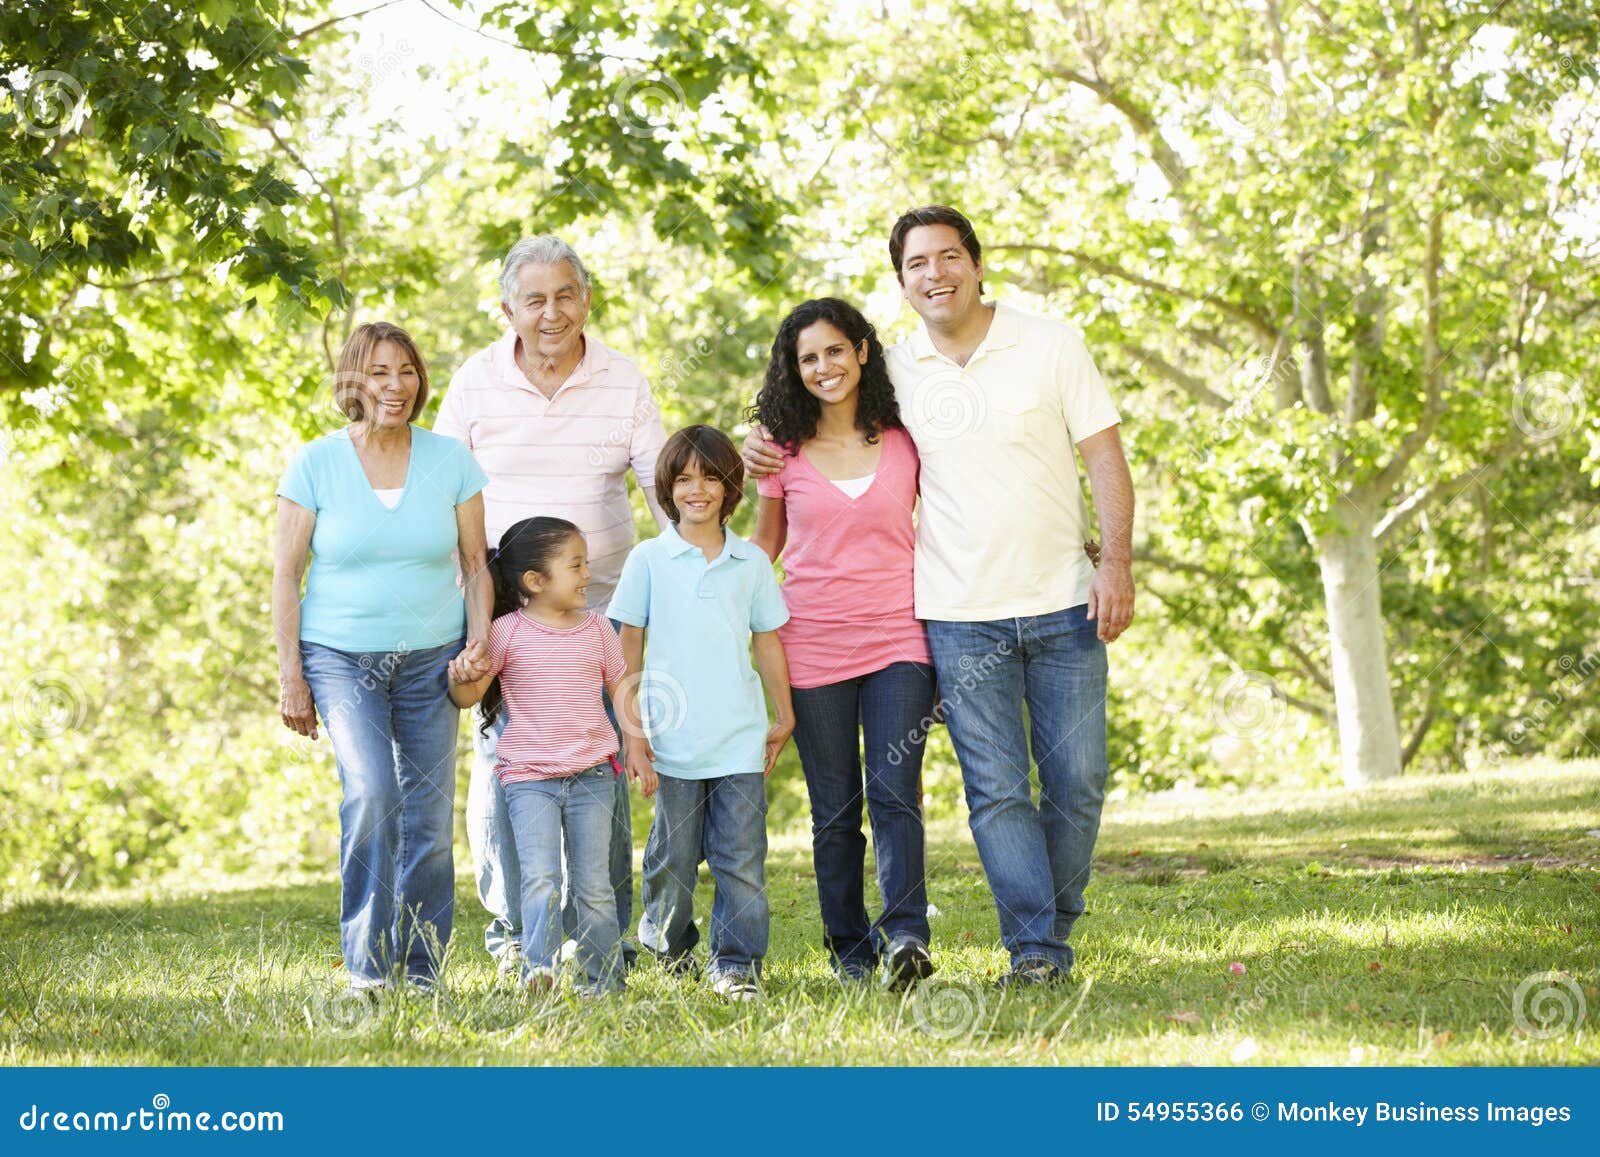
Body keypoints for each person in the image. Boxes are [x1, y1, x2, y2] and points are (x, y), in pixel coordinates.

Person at [743, 206, 1136, 985]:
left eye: (948, 256)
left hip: (1060, 600)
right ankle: (1033, 950)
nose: (936, 274)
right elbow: (811, 418)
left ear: (977, 263)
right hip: (954, 616)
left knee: (1079, 781)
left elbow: (1102, 456)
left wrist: (1114, 557)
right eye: (917, 263)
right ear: (901, 282)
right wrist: (754, 442)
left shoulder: (1049, 344)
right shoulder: (896, 372)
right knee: (994, 791)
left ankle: (1047, 919)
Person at [433, 236, 670, 975]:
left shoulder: (622, 379)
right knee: (505, 766)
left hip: (602, 612)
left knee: (603, 764)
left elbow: (662, 489)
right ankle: (516, 937)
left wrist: (692, 571)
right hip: (500, 616)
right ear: (508, 310)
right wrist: (470, 615)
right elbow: (441, 493)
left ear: (586, 300)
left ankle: (604, 938)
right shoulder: (475, 382)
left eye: (565, 295)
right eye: (534, 299)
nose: (551, 312)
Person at [273, 321, 493, 993]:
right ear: (353, 381)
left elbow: (476, 564)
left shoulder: (451, 460)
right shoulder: (316, 463)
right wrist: (291, 676)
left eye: (406, 371)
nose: (395, 385)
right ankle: (368, 968)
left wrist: (478, 641)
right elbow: (286, 575)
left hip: (433, 658)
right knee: (372, 792)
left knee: (428, 816)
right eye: (378, 372)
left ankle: (422, 970)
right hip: (340, 657)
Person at [747, 298, 937, 989]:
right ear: (792, 370)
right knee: (835, 810)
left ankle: (906, 935)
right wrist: (708, 592)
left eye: (834, 350)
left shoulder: (906, 437)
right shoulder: (781, 451)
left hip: (899, 639)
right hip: (812, 644)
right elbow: (766, 542)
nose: (823, 367)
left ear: (861, 351)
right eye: (808, 358)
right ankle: (850, 951)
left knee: (895, 790)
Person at [607, 425, 795, 1001]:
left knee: (742, 859)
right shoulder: (648, 559)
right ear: (667, 487)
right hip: (671, 741)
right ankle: (667, 946)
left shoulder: (751, 562)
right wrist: (633, 734)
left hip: (739, 738)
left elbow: (767, 641)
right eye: (684, 479)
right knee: (674, 857)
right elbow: (627, 648)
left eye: (711, 477)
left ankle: (736, 965)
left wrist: (783, 714)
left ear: (730, 486)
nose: (698, 489)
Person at [446, 517, 656, 996]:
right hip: (529, 781)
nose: (588, 575)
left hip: (593, 777)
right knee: (540, 879)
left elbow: (622, 689)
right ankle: (538, 970)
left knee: (594, 885)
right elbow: (468, 697)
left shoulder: (598, 629)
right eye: (576, 566)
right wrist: (460, 677)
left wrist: (636, 747)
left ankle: (602, 980)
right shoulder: (505, 633)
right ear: (535, 581)